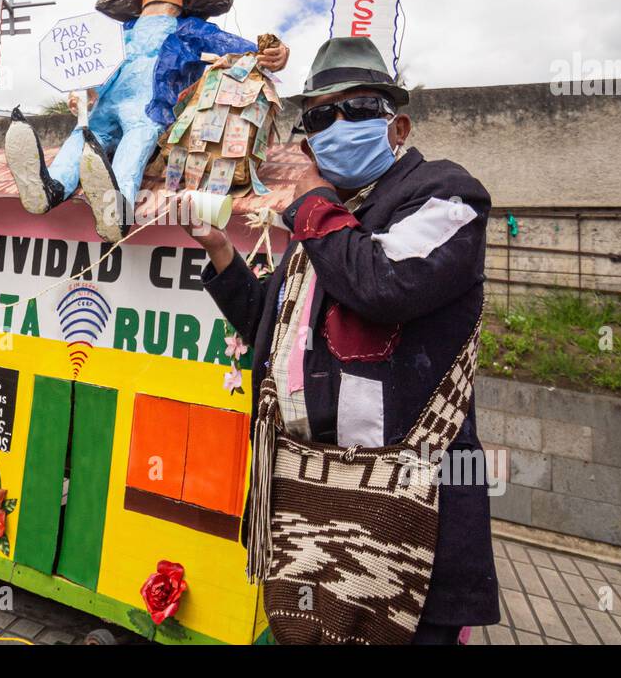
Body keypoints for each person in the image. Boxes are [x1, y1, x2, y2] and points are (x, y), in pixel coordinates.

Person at [183, 36, 500, 644]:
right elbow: (271, 330)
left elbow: (383, 284)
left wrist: (312, 204)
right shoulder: (325, 221)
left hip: (408, 506)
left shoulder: (446, 194)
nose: (335, 126)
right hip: (309, 500)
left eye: (357, 109)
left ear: (397, 125)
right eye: (321, 116)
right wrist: (221, 252)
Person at [4, 0, 289, 242]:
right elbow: (96, 69)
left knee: (136, 142)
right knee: (82, 135)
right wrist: (84, 93)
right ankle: (49, 186)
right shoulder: (112, 33)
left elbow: (247, 52)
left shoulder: (194, 30)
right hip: (103, 108)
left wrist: (273, 52)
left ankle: (116, 202)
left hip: (150, 112)